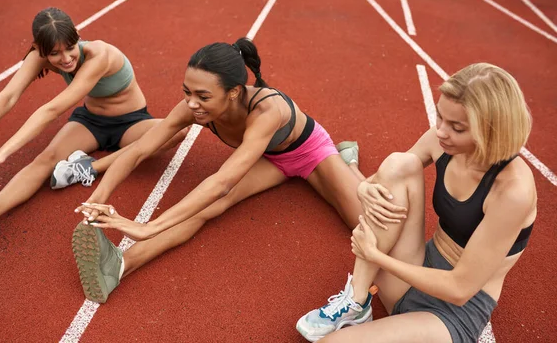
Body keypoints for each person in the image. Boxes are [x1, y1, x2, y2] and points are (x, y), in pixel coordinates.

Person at [68, 37, 406, 304]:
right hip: (267, 158)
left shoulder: (267, 110)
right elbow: (140, 148)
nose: (191, 104)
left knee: (370, 232)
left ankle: (347, 163)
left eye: (202, 96)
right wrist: (97, 198)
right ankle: (120, 265)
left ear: (233, 93)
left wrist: (147, 226)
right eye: (186, 92)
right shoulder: (193, 107)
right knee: (206, 209)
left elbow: (224, 180)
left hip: (308, 151)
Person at [296, 63, 536, 343]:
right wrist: (363, 187)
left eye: (456, 127)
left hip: (452, 312)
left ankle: (348, 164)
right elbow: (388, 179)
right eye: (439, 117)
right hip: (417, 267)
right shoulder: (443, 141)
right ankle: (357, 301)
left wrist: (375, 257)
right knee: (400, 163)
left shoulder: (511, 191)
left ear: (491, 130)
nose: (441, 131)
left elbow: (459, 288)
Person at [0, 7, 186, 255]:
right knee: (44, 160)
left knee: (175, 133)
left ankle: (88, 168)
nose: (65, 58)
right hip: (91, 122)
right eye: (54, 53)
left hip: (131, 122)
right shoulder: (39, 55)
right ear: (39, 47)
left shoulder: (100, 55)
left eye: (69, 47)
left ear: (77, 35)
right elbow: (8, 96)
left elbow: (52, 109)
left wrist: (3, 152)